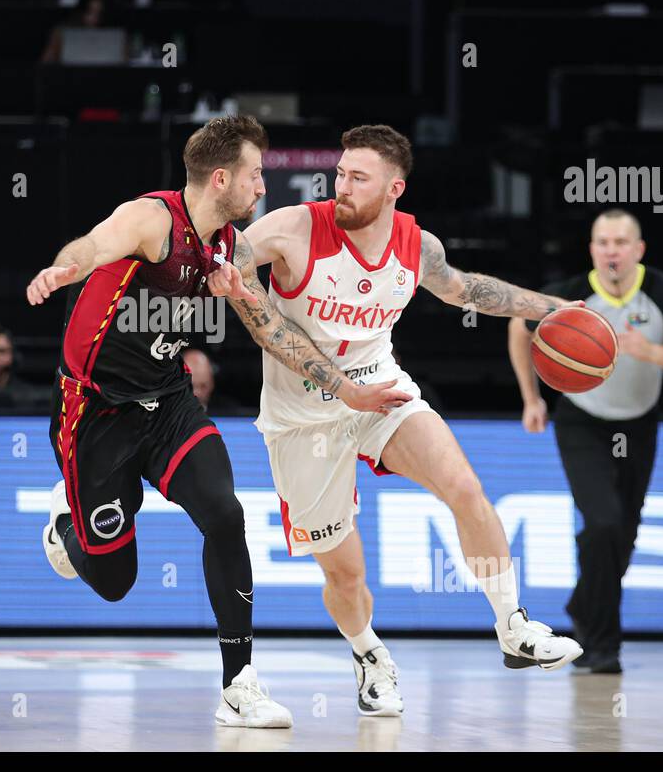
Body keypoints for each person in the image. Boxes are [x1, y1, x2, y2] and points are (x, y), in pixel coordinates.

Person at [26, 115, 408, 727]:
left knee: (226, 517)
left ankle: (239, 684)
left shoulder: (227, 246)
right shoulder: (153, 220)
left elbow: (268, 328)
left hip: (170, 402)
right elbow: (94, 244)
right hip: (97, 413)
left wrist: (340, 386)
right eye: (257, 175)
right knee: (114, 580)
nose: (264, 187)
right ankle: (65, 526)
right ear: (222, 177)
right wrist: (62, 269)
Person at [241, 124, 585, 717]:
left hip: (382, 389)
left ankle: (513, 626)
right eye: (340, 174)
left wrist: (553, 309)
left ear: (394, 188)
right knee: (346, 578)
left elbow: (465, 289)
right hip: (303, 420)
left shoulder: (414, 243)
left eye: (357, 177)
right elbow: (224, 264)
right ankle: (369, 653)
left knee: (466, 489)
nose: (340, 186)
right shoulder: (294, 228)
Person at [508, 208, 663, 673]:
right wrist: (531, 399)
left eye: (621, 243)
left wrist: (651, 352)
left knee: (622, 535)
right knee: (602, 523)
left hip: (639, 424)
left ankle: (586, 606)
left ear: (638, 250)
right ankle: (603, 647)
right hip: (581, 421)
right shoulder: (571, 296)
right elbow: (517, 327)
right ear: (592, 250)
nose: (612, 251)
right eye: (603, 243)